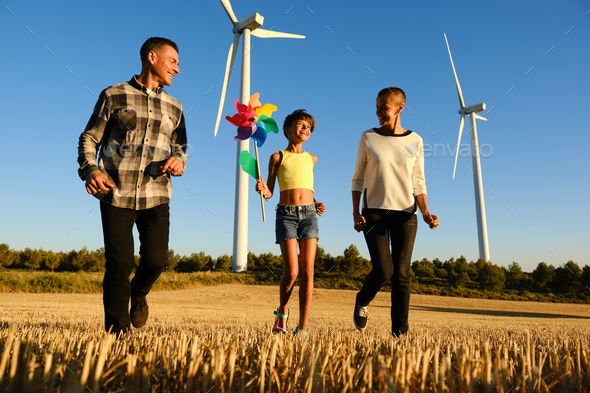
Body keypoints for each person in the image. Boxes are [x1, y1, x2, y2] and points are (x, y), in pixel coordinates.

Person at [77, 37, 187, 335]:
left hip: (156, 193)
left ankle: (138, 295)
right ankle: (117, 333)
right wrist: (90, 170)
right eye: (173, 61)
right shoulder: (113, 95)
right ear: (152, 57)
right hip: (116, 192)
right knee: (119, 263)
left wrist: (179, 161)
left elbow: (181, 147)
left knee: (155, 261)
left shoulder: (175, 107)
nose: (178, 68)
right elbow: (90, 138)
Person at [351, 87, 438, 337]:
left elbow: (418, 182)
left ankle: (399, 335)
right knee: (383, 271)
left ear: (399, 108)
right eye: (376, 107)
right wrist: (355, 212)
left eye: (383, 107)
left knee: (401, 275)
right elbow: (357, 179)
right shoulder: (368, 137)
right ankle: (363, 300)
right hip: (373, 213)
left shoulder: (415, 140)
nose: (378, 112)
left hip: (406, 214)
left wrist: (425, 212)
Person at [255, 109, 326, 335]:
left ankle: (303, 327)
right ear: (287, 130)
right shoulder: (277, 157)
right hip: (286, 214)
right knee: (292, 272)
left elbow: (305, 187)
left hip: (309, 215)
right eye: (300, 124)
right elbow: (270, 192)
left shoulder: (312, 158)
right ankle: (282, 315)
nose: (305, 128)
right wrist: (263, 189)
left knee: (308, 270)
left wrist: (315, 202)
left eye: (309, 126)